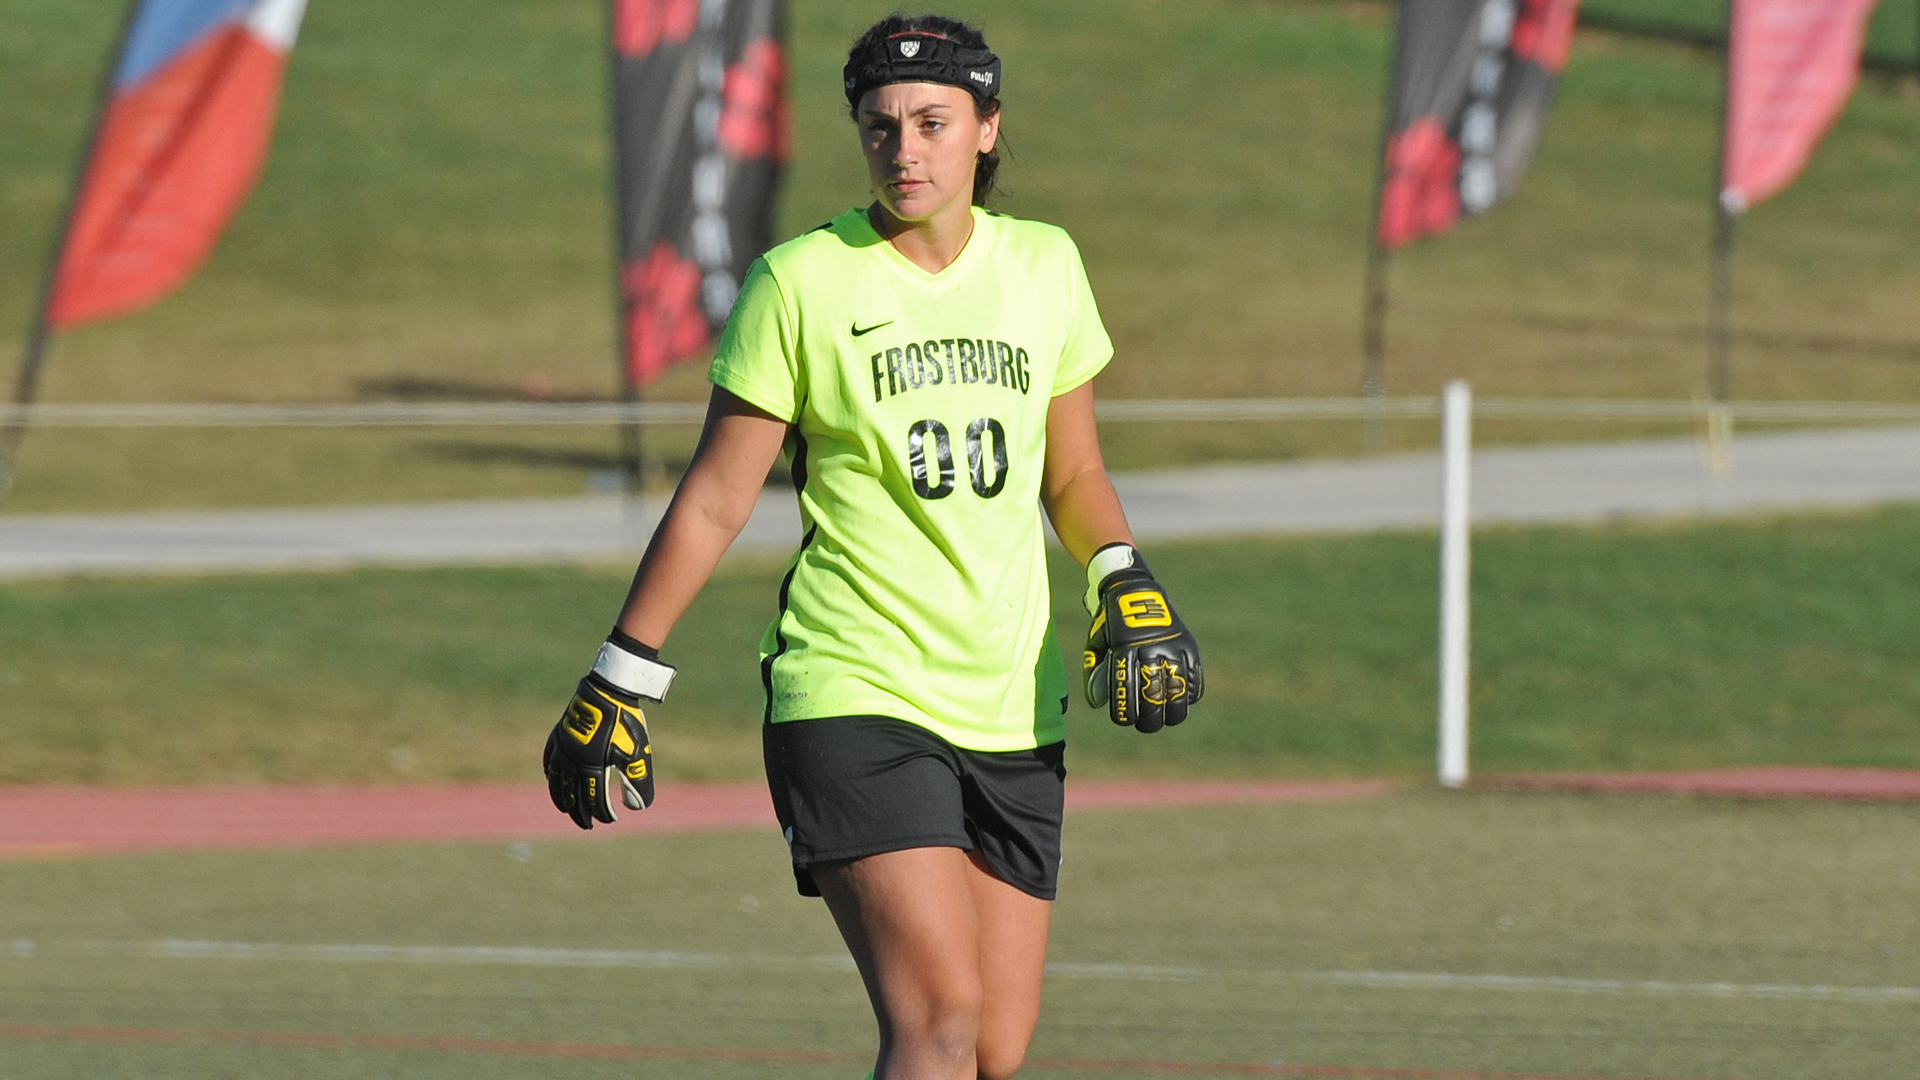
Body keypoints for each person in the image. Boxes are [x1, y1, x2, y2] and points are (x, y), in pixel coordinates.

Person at [542, 14, 1203, 1080]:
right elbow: (715, 498)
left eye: (933, 122)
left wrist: (1120, 574)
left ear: (987, 129)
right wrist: (624, 672)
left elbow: (1073, 473)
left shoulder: (1046, 266)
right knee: (937, 1021)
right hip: (855, 690)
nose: (905, 149)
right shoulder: (800, 282)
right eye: (880, 125)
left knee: (994, 1047)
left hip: (1012, 700)